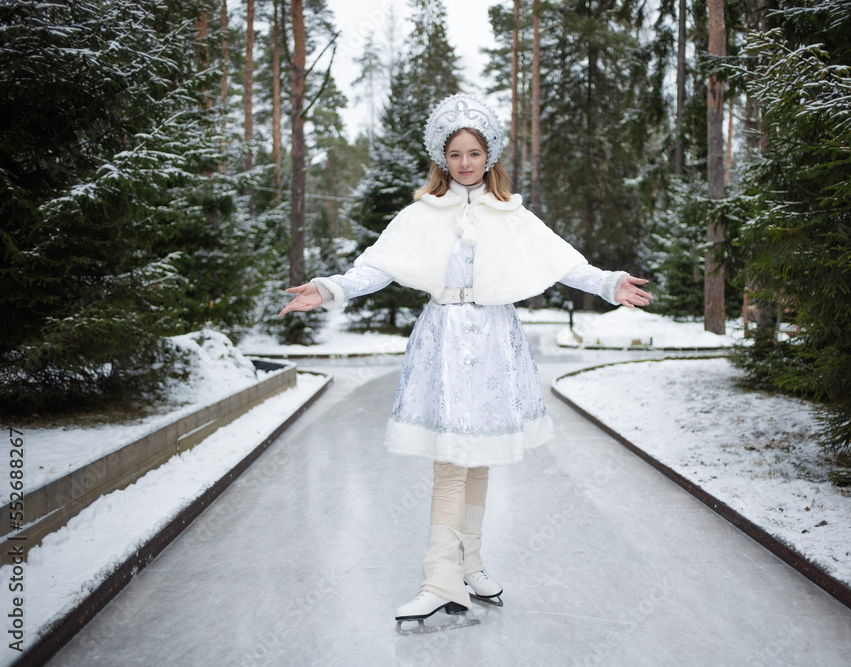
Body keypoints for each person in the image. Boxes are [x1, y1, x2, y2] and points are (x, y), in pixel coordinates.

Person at [279, 95, 653, 628]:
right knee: (450, 459)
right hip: (446, 338)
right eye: (455, 154)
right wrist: (329, 288)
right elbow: (377, 266)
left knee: (477, 457)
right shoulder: (421, 214)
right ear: (442, 158)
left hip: (496, 337)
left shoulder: (511, 215)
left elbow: (565, 261)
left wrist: (610, 283)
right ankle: (438, 581)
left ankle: (470, 561)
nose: (465, 162)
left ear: (489, 155)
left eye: (473, 152)